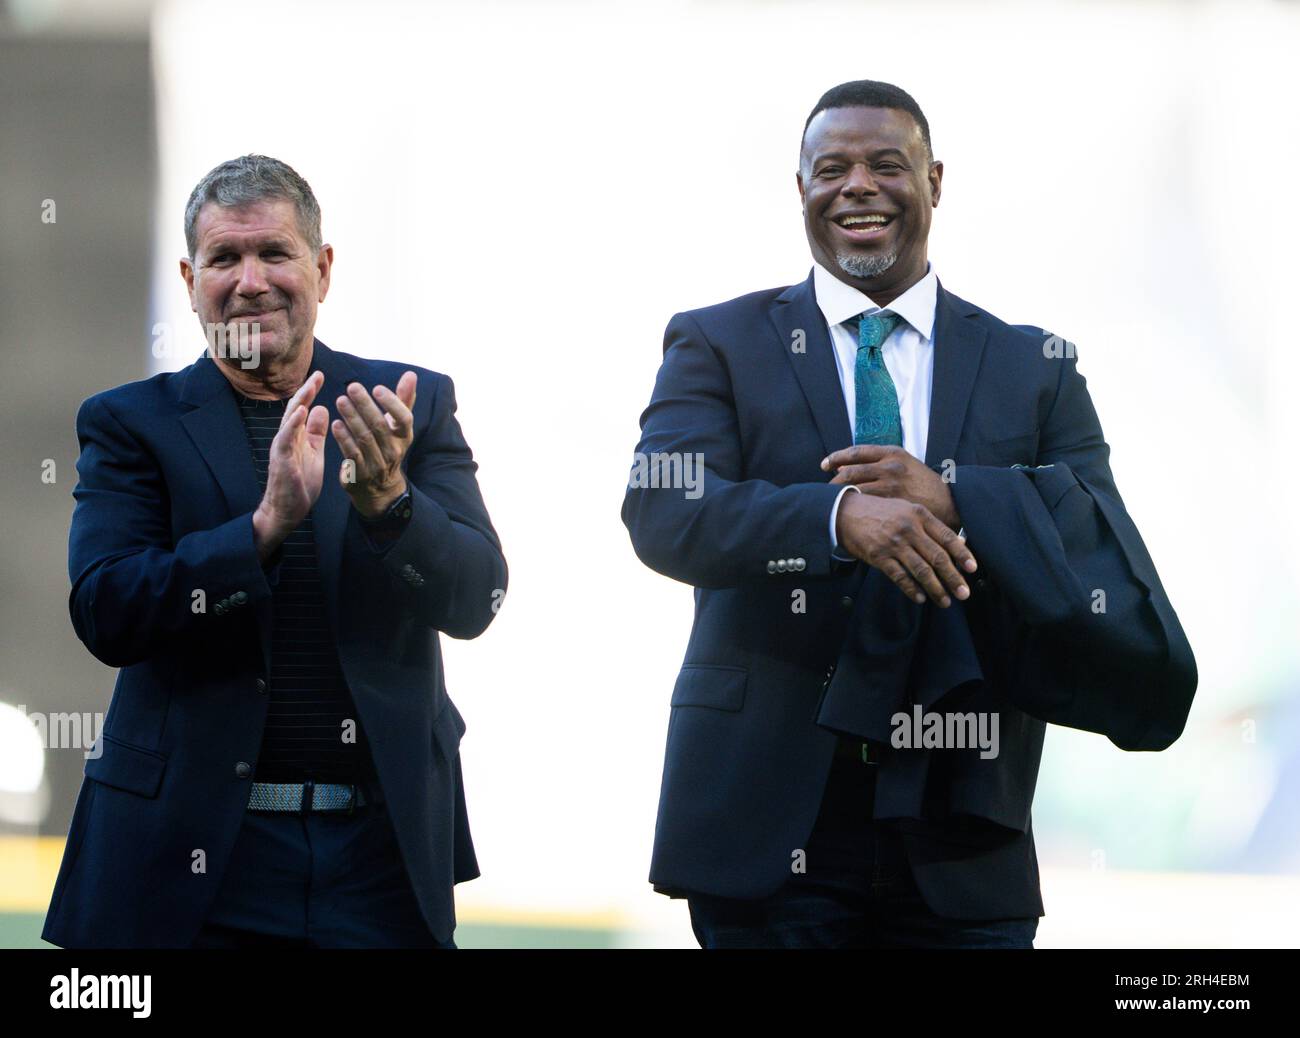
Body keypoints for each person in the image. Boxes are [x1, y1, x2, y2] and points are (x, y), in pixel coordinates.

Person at [621, 81, 1196, 948]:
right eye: (832, 168)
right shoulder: (717, 341)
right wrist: (837, 518)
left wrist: (961, 500)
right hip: (770, 826)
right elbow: (664, 507)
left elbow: (1096, 539)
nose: (857, 185)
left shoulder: (1033, 365)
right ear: (802, 189)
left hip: (963, 827)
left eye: (886, 165)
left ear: (934, 180)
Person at [43, 155, 506, 948]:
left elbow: (475, 599)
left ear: (322, 270)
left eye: (275, 254)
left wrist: (391, 507)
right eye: (224, 258)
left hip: (377, 862)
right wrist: (261, 530)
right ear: (191, 280)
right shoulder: (130, 424)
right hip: (185, 864)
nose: (250, 281)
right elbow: (105, 608)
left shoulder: (403, 407)